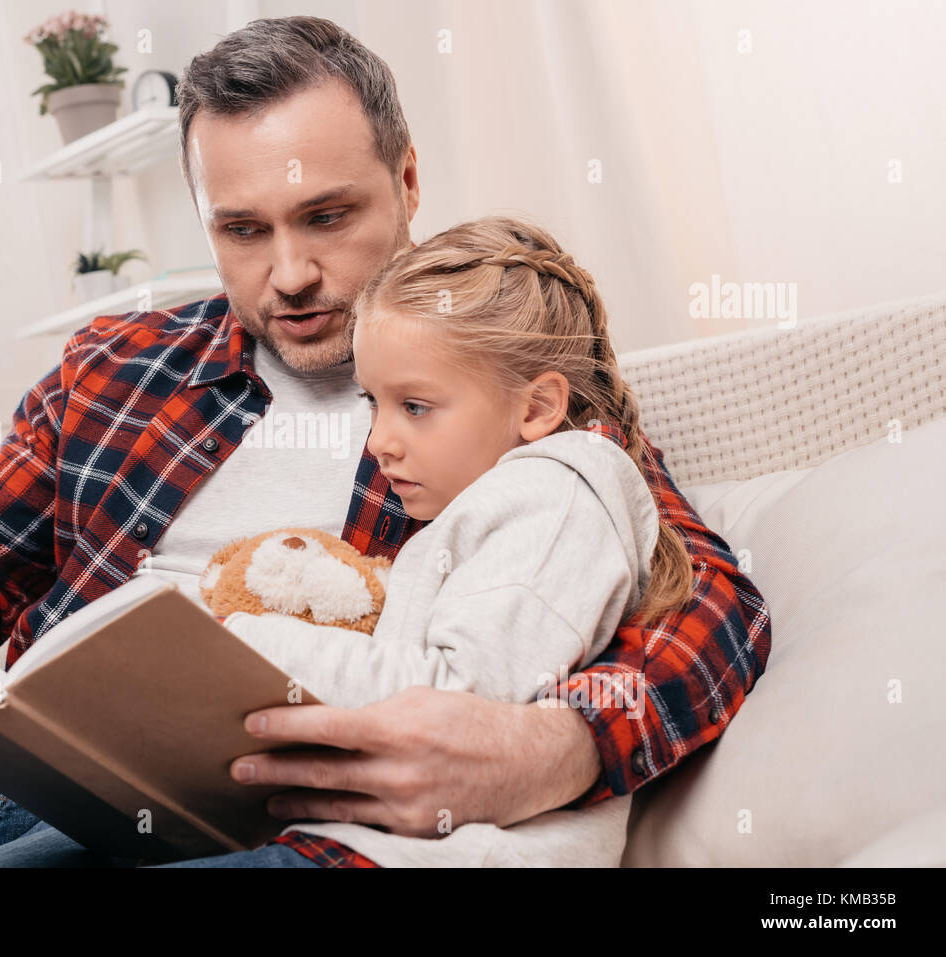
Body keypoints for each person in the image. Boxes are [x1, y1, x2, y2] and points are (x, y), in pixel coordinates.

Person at [0, 16, 770, 868]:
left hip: (238, 818)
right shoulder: (115, 365)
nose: (288, 272)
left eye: (327, 216)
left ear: (408, 180)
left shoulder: (493, 383)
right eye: (243, 230)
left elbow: (716, 605)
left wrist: (563, 745)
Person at [215, 215, 683, 866]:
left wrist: (239, 638)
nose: (379, 440)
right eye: (372, 402)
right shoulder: (494, 501)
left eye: (415, 406)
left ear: (536, 408)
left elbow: (454, 703)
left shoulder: (559, 501)